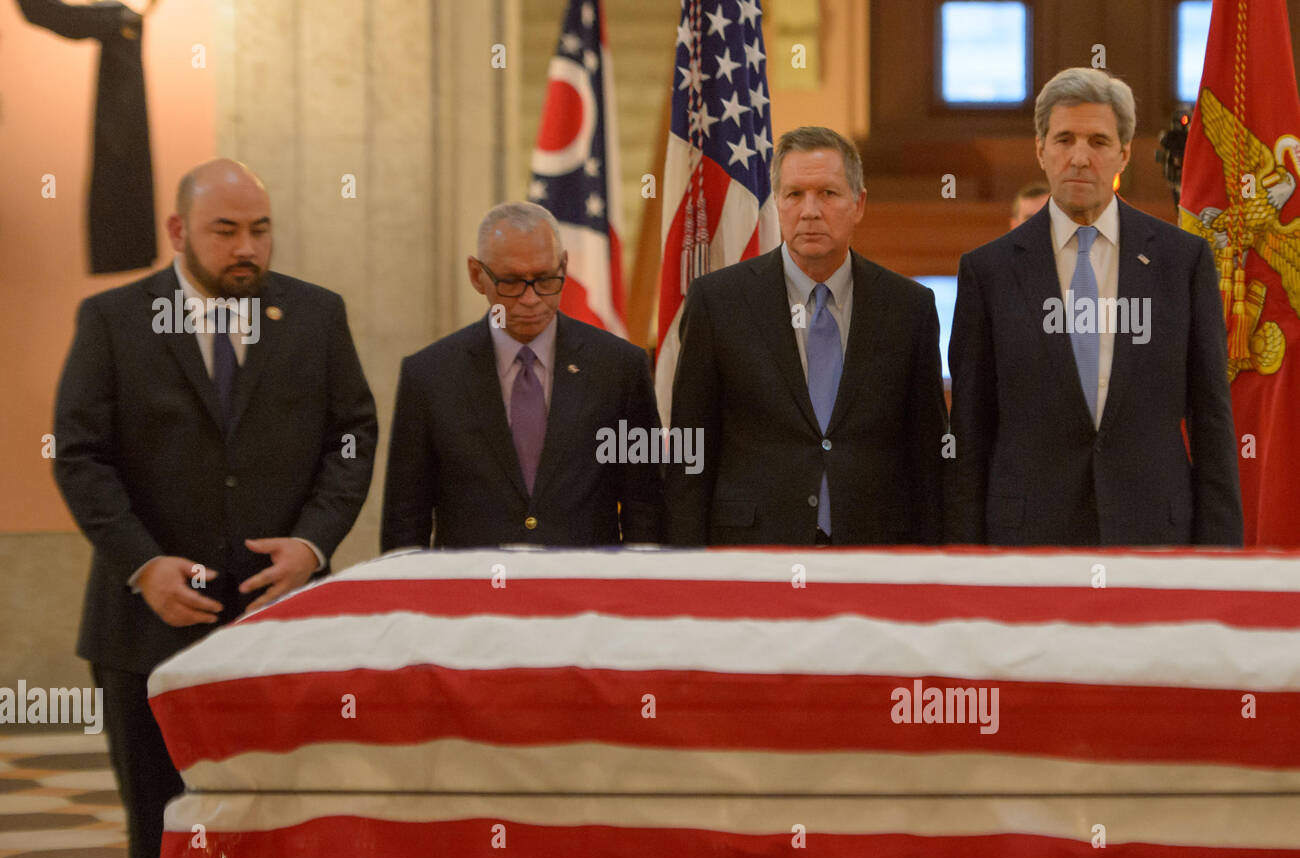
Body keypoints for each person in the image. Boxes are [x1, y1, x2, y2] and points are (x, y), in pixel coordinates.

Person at [52, 159, 378, 858]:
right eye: (225, 231)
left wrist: (312, 546)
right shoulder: (112, 321)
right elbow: (80, 457)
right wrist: (143, 565)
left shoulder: (316, 315)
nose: (247, 249)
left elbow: (351, 438)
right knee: (163, 840)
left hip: (282, 626)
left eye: (261, 230)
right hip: (146, 634)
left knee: (285, 837)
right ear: (178, 231)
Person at [945, 68, 1242, 546]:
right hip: (1027, 542)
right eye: (1064, 139)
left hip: (1155, 536)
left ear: (1123, 152)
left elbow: (1212, 420)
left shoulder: (1182, 261)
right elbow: (971, 431)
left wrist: (1222, 555)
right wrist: (963, 555)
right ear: (1040, 149)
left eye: (1098, 141)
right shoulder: (989, 272)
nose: (1080, 158)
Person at [665, 126, 947, 546]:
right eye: (794, 194)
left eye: (828, 194)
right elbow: (691, 449)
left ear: (859, 203)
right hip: (752, 550)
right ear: (776, 203)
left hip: (875, 551)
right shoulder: (718, 302)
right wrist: (685, 564)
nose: (810, 210)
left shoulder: (909, 307)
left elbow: (928, 455)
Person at [380, 201, 663, 550]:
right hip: (471, 590)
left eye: (545, 279)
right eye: (511, 282)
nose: (530, 300)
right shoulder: (429, 376)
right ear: (476, 275)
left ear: (564, 266)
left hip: (585, 589)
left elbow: (645, 506)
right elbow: (406, 519)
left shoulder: (619, 368)